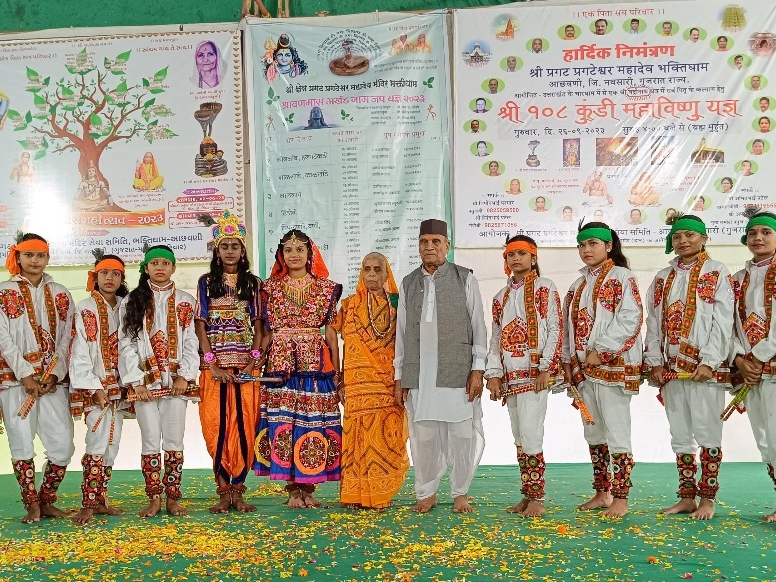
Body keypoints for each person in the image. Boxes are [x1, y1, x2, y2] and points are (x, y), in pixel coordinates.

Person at [644, 215, 734, 520]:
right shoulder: (662, 277)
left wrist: (710, 361)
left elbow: (724, 321)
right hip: (671, 368)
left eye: (690, 235)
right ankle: (686, 497)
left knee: (708, 432)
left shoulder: (717, 272)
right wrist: (654, 360)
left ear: (704, 238)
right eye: (677, 236)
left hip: (703, 369)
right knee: (680, 433)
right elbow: (653, 322)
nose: (683, 241)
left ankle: (707, 500)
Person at [394, 219, 486, 514]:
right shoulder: (409, 282)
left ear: (447, 245)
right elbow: (402, 333)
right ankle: (427, 492)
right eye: (424, 242)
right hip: (419, 372)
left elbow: (478, 326)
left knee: (461, 434)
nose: (430, 247)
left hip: (457, 369)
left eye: (436, 242)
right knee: (424, 436)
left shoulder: (464, 278)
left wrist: (478, 369)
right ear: (418, 246)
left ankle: (460, 492)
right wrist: (400, 375)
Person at [253, 230, 342, 508]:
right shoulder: (268, 288)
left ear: (309, 254)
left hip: (316, 366)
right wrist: (255, 360)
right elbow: (265, 334)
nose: (294, 254)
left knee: (314, 420)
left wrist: (338, 374)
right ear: (281, 254)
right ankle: (292, 490)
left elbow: (331, 335)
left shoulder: (327, 289)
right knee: (284, 422)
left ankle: (309, 487)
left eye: (299, 249)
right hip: (279, 365)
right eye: (288, 249)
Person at [562, 222, 643, 518]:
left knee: (618, 431)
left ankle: (621, 497)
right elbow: (568, 328)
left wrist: (602, 349)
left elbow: (631, 318)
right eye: (582, 245)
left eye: (593, 243)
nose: (587, 250)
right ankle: (602, 493)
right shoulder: (578, 284)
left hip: (613, 370)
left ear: (609, 246)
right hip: (584, 373)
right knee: (593, 431)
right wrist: (568, 361)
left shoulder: (622, 276)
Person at [119, 245, 199, 518]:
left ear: (174, 268)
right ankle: (154, 498)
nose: (161, 268)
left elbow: (191, 340)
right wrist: (136, 381)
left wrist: (184, 376)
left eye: (166, 263)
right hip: (145, 386)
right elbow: (126, 343)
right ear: (146, 268)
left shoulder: (186, 300)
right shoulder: (132, 300)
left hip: (175, 384)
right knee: (150, 440)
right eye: (155, 264)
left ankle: (173, 499)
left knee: (175, 440)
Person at [485, 235, 563, 517]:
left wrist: (545, 367)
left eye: (521, 253)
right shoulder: (500, 297)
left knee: (531, 434)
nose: (515, 259)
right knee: (519, 437)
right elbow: (496, 337)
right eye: (510, 255)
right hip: (510, 378)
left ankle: (538, 498)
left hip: (534, 376)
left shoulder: (545, 288)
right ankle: (528, 495)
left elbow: (555, 327)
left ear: (533, 257)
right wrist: (494, 374)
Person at [0, 233, 75, 524]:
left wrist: (55, 373)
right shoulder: (4, 292)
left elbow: (68, 336)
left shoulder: (60, 293)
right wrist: (25, 373)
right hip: (14, 381)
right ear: (17, 257)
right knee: (21, 443)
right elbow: (3, 338)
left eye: (40, 255)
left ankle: (46, 500)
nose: (34, 260)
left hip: (51, 381)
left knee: (63, 445)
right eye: (28, 255)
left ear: (47, 257)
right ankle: (31, 504)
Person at [195, 211, 263, 514]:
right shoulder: (206, 282)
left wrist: (252, 363)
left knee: (246, 426)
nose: (231, 251)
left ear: (243, 250)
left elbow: (261, 327)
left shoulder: (254, 283)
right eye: (225, 246)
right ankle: (223, 491)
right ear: (216, 250)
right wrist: (212, 363)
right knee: (217, 428)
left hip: (246, 368)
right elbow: (200, 324)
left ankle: (239, 490)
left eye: (236, 245)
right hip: (216, 370)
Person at [332, 253, 408, 509]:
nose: (372, 274)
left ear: (387, 275)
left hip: (387, 382)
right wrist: (339, 379)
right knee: (355, 436)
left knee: (387, 435)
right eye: (367, 269)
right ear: (361, 274)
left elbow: (406, 344)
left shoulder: (399, 304)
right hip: (356, 382)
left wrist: (402, 380)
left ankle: (381, 490)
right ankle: (355, 492)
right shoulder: (349, 305)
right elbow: (339, 340)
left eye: (378, 269)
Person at [70, 252, 130, 525]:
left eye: (115, 273)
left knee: (112, 444)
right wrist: (94, 386)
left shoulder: (126, 307)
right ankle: (87, 503)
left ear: (122, 278)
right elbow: (79, 351)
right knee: (96, 442)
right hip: (97, 389)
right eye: (104, 273)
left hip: (120, 388)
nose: (109, 278)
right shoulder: (85, 307)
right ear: (95, 277)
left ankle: (101, 500)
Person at [731, 209, 776, 522]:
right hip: (751, 371)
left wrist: (759, 356)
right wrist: (738, 358)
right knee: (764, 439)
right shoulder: (737, 279)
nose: (758, 238)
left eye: (766, 232)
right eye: (752, 233)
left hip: (767, 365)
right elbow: (727, 325)